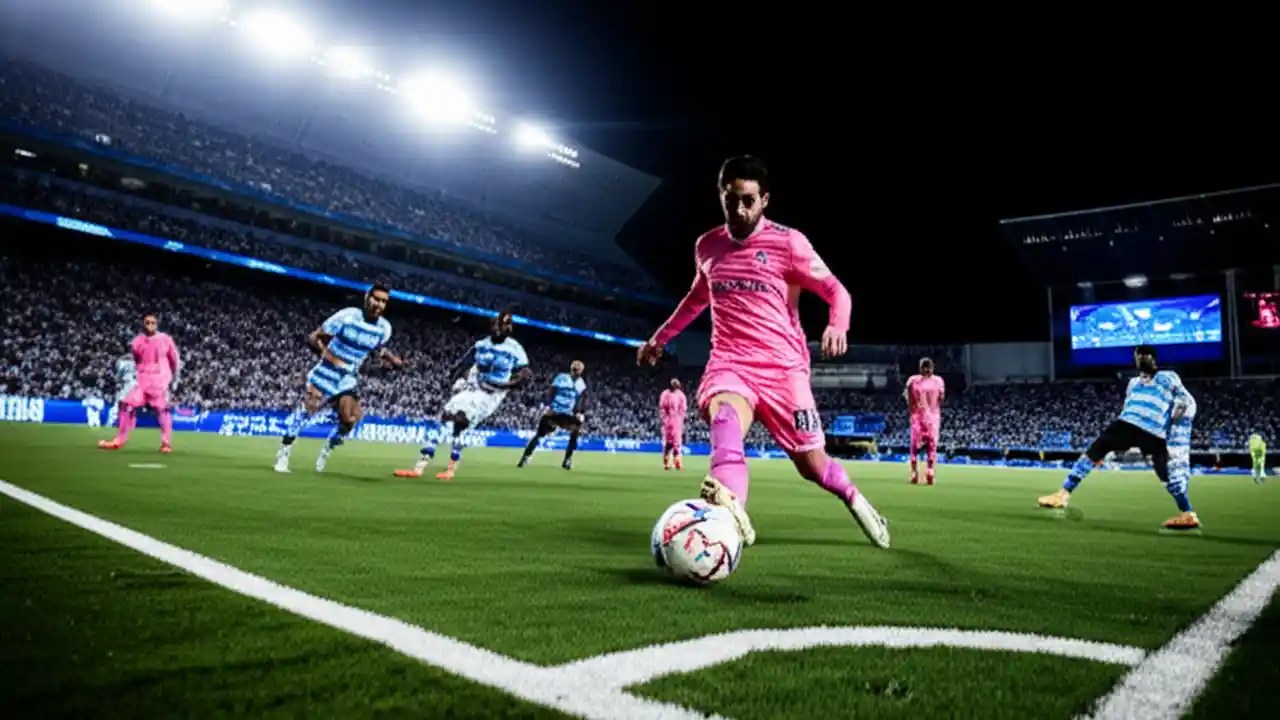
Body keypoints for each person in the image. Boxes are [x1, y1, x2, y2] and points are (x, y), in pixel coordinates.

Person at [636, 155, 890, 548]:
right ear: (721, 195)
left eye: (749, 200)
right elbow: (695, 299)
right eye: (731, 199)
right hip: (730, 363)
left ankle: (856, 499)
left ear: (765, 199)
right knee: (725, 417)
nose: (739, 209)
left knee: (814, 466)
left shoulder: (790, 243)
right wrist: (659, 339)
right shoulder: (707, 246)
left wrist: (838, 325)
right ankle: (730, 508)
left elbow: (837, 291)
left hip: (784, 371)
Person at [1038, 345, 1200, 530]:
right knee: (1101, 450)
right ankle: (1188, 513)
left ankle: (1063, 494)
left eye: (1145, 356)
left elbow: (1185, 401)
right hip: (1131, 424)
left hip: (1151, 429)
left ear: (1154, 360)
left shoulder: (1168, 377)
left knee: (1163, 473)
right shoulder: (1133, 383)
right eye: (1138, 356)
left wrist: (1172, 422)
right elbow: (1127, 405)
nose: (1142, 359)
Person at [274, 283, 401, 473]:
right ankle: (283, 454)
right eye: (376, 299)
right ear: (367, 298)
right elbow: (314, 337)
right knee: (307, 410)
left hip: (347, 378)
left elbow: (376, 348)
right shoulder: (347, 316)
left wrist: (392, 359)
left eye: (384, 301)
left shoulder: (384, 328)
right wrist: (330, 356)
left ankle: (327, 449)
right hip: (325, 372)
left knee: (350, 419)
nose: (379, 304)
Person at [396, 311, 531, 481]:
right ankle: (421, 467)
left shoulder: (515, 349)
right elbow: (463, 364)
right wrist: (453, 380)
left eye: (503, 324)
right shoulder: (481, 345)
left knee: (461, 419)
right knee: (446, 416)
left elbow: (525, 374)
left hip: (491, 394)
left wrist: (507, 385)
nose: (498, 327)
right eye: (496, 324)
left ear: (509, 327)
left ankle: (449, 467)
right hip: (473, 388)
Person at [98, 313, 180, 453]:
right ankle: (120, 439)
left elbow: (174, 359)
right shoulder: (137, 341)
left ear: (157, 324)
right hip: (142, 380)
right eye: (147, 322)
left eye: (153, 322)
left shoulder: (165, 339)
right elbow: (137, 360)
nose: (150, 325)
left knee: (162, 409)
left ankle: (166, 443)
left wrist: (175, 379)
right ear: (143, 324)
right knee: (125, 403)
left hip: (159, 380)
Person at [518, 360, 587, 470]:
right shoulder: (561, 378)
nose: (576, 372)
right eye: (575, 369)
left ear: (581, 371)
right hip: (555, 411)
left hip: (568, 414)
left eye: (577, 370)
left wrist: (579, 412)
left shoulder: (581, 384)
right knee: (539, 434)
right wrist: (548, 406)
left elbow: (580, 399)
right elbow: (552, 392)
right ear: (571, 369)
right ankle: (525, 457)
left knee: (576, 431)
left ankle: (567, 460)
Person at [904, 357, 945, 484]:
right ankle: (930, 471)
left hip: (918, 417)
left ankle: (914, 473)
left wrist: (912, 409)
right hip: (933, 418)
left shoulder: (912, 380)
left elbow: (907, 397)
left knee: (914, 449)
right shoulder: (938, 381)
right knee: (932, 448)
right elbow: (941, 398)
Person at [659, 378, 688, 470]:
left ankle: (677, 462)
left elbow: (683, 409)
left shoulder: (680, 395)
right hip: (668, 422)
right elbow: (662, 407)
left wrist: (680, 418)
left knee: (676, 443)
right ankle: (667, 463)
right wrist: (664, 418)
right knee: (668, 443)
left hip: (676, 421)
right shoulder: (665, 394)